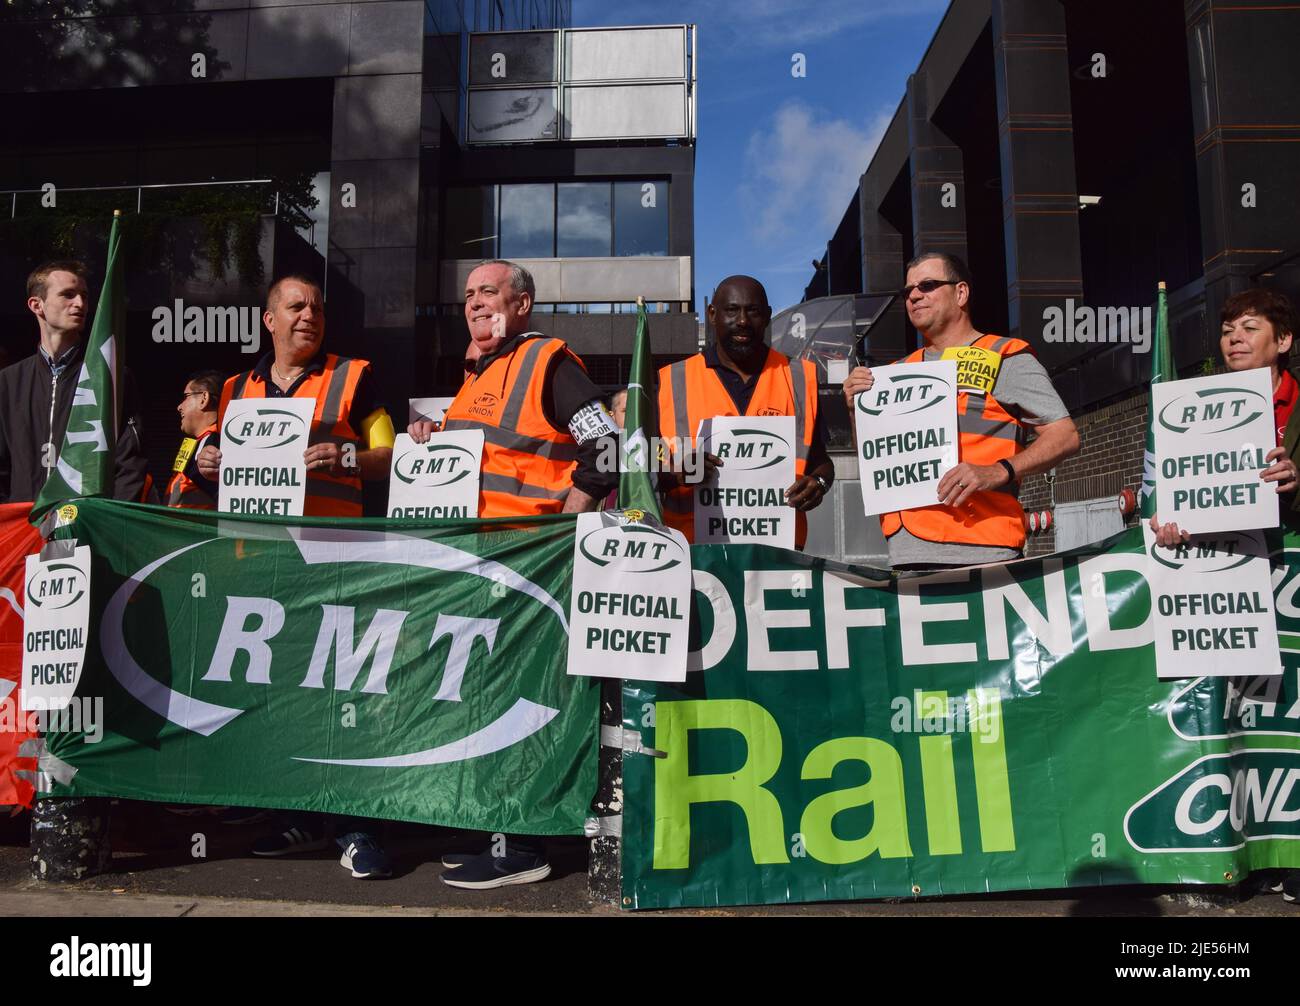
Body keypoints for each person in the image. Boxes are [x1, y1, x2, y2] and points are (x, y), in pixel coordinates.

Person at [409, 258, 619, 889]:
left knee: (522, 704)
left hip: (530, 569)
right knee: (490, 700)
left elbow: (605, 447)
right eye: (468, 295)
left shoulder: (545, 362)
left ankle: (523, 846)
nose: (475, 303)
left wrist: (568, 516)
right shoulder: (476, 376)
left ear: (521, 304)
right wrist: (430, 434)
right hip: (485, 569)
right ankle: (499, 829)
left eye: (489, 293)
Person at [196, 274, 397, 877]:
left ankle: (360, 825)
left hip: (333, 564)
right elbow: (211, 466)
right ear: (269, 319)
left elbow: (391, 456)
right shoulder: (235, 388)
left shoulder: (355, 376)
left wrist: (346, 456)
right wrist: (207, 462)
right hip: (257, 564)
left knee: (343, 692)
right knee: (281, 696)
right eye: (295, 306)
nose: (309, 314)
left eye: (317, 307)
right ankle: (303, 816)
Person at [842, 252, 1080, 570]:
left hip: (983, 551)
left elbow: (1065, 436)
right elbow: (875, 461)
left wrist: (999, 470)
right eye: (907, 290)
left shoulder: (1004, 356)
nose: (914, 295)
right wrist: (857, 411)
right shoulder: (896, 373)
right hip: (908, 556)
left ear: (961, 293)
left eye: (927, 285)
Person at [658, 275, 833, 548]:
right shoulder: (672, 381)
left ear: (766, 317)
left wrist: (819, 482)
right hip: (694, 554)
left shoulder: (800, 377)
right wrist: (674, 474)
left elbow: (821, 461)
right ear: (712, 314)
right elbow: (636, 469)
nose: (742, 321)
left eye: (753, 311)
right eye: (732, 310)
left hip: (778, 552)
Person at [1151, 288, 1300, 545]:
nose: (1234, 339)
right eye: (1227, 332)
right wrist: (1171, 518)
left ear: (1284, 340)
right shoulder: (1194, 413)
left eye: (1250, 328)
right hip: (1243, 567)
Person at [0, 260, 152, 504]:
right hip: (25, 532)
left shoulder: (111, 377)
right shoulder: (8, 382)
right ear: (36, 305)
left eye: (84, 296)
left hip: (88, 527)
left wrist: (106, 525)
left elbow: (130, 463)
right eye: (67, 295)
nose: (80, 304)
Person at [165, 370, 223, 509]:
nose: (179, 407)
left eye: (186, 396)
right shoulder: (199, 441)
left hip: (196, 528)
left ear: (204, 398)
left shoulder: (219, 443)